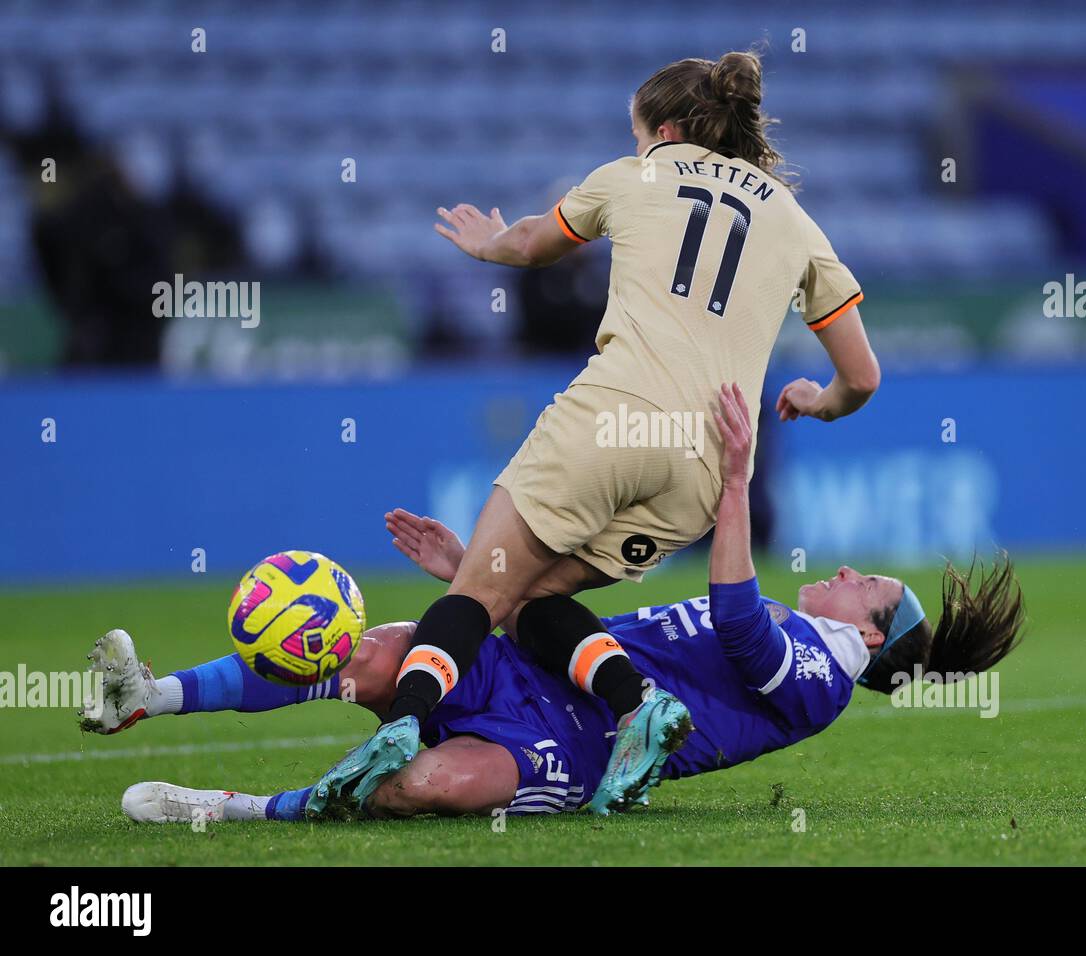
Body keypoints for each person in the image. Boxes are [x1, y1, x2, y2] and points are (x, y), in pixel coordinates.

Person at [84, 387, 1023, 823]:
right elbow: (565, 613)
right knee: (362, 658)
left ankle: (228, 808)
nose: (853, 570)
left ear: (870, 632)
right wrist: (473, 585)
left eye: (870, 586)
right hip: (541, 663)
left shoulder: (823, 674)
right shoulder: (797, 624)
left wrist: (736, 483)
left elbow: (731, 619)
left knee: (428, 785)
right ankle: (147, 697)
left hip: (572, 746)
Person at [371, 50, 882, 812]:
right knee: (535, 599)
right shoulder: (796, 219)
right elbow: (864, 376)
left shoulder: (633, 176)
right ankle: (640, 705)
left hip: (613, 419)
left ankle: (402, 728)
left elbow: (532, 247)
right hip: (704, 471)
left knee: (483, 591)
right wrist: (817, 400)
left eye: (640, 134)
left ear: (667, 130)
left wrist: (489, 241)